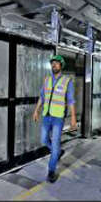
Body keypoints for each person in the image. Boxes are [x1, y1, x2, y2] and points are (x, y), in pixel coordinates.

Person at [32, 54, 77, 183]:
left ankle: (51, 171)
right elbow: (42, 96)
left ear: (61, 65)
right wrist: (36, 110)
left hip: (58, 117)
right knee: (44, 139)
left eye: (56, 63)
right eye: (52, 63)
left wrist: (73, 118)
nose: (54, 65)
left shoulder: (67, 81)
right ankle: (56, 152)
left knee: (56, 141)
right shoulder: (47, 80)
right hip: (46, 115)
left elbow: (71, 101)